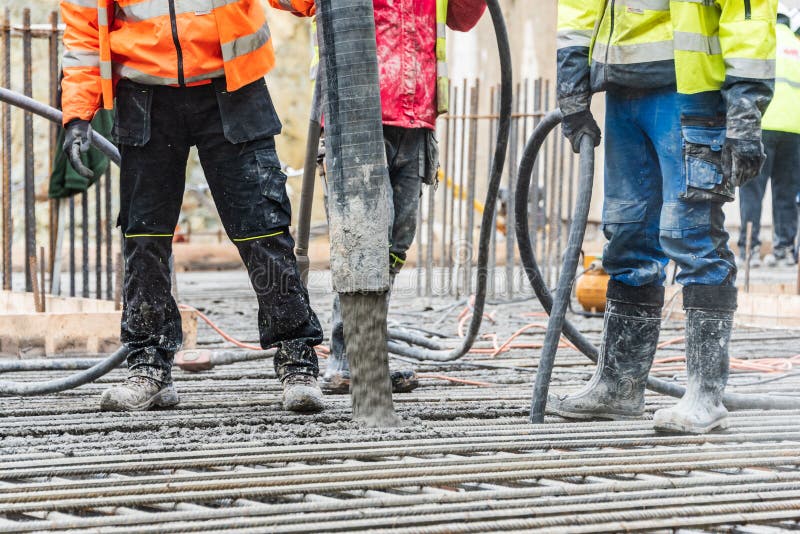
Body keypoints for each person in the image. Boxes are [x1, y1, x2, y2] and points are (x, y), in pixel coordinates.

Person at [60, 0, 326, 413]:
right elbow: (83, 36)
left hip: (232, 87)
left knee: (262, 228)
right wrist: (78, 114)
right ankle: (148, 364)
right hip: (146, 96)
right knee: (144, 236)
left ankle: (297, 358)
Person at [554, 0, 776, 433]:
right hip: (622, 90)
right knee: (627, 236)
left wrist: (745, 106)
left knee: (692, 235)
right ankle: (620, 385)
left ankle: (704, 396)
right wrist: (572, 81)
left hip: (690, 90)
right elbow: (578, 7)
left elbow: (748, 13)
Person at [277, 0, 487, 394]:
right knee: (361, 239)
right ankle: (349, 357)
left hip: (416, 119)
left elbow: (464, 17)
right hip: (354, 116)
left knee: (394, 244)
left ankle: (366, 352)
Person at [737, 7, 800, 268]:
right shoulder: (797, 45)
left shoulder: (763, 40)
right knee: (786, 193)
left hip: (762, 125)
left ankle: (749, 250)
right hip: (795, 130)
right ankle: (784, 250)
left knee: (752, 190)